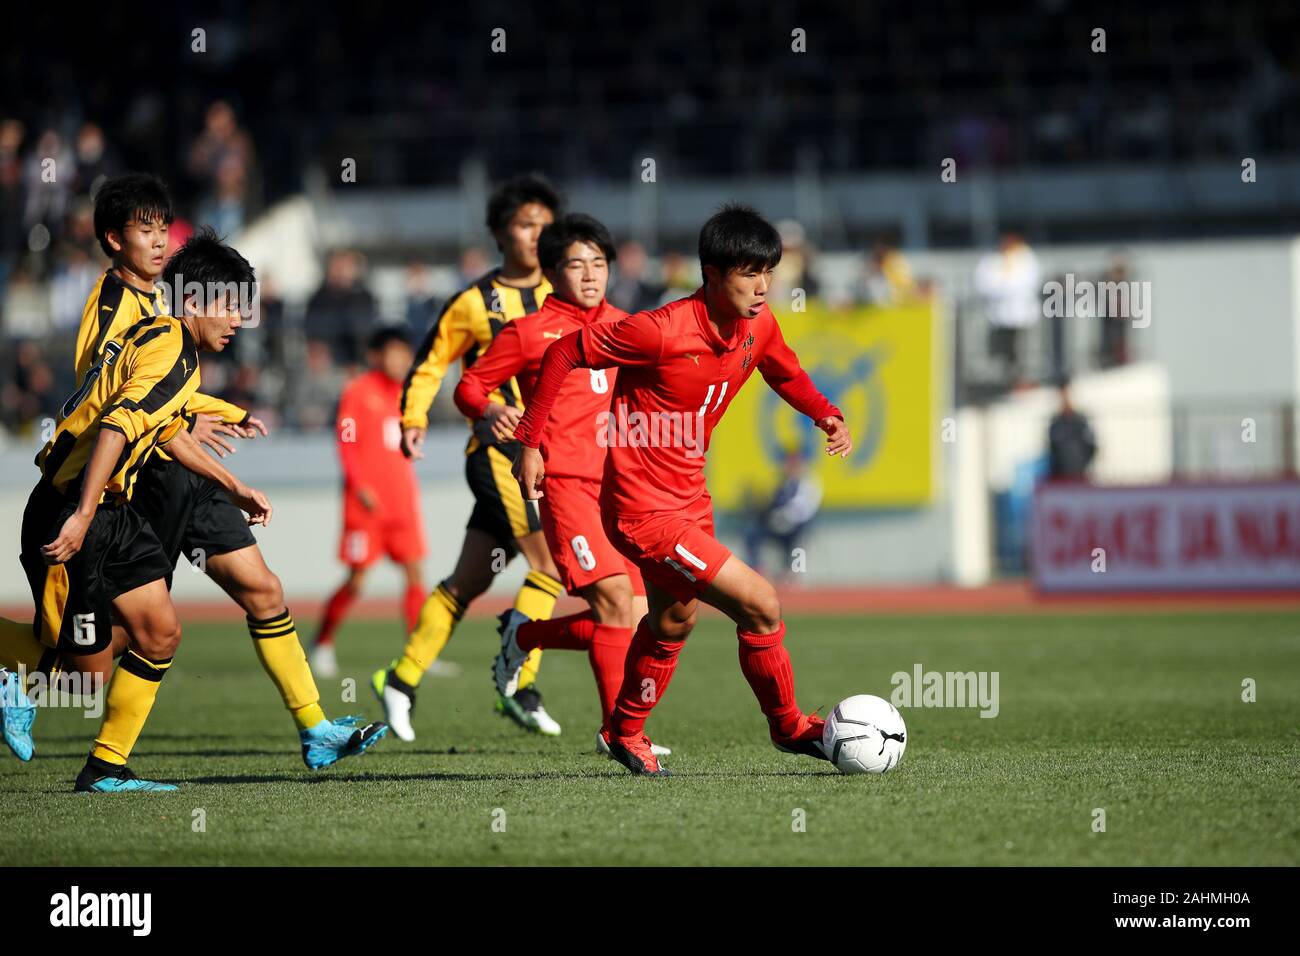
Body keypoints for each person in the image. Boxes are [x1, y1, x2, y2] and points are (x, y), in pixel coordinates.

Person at [1, 176, 387, 770]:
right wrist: (169, 427)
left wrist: (201, 424)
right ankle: (41, 695)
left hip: (170, 468)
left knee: (254, 593)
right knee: (106, 654)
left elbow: (150, 395)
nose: (159, 242)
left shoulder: (163, 310)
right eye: (145, 230)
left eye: (164, 230)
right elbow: (112, 407)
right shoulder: (122, 313)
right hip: (130, 481)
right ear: (112, 238)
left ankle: (312, 727)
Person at [512, 204, 853, 775]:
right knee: (762, 605)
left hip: (690, 499)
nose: (764, 286)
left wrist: (826, 414)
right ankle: (790, 728)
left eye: (768, 271)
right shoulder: (660, 330)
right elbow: (564, 351)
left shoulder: (759, 324)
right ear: (712, 274)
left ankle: (623, 732)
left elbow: (784, 370)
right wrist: (531, 441)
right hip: (640, 511)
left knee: (673, 621)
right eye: (750, 273)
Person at [0, 237, 269, 790]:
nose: (240, 320)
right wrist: (81, 513)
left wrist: (234, 486)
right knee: (84, 679)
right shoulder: (171, 352)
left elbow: (164, 430)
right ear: (194, 303)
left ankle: (105, 768)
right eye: (231, 305)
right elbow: (116, 427)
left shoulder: (166, 343)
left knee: (159, 634)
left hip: (110, 513)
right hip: (72, 508)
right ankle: (13, 678)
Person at [454, 213, 668, 757]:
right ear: (550, 271)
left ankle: (522, 636)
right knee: (617, 602)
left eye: (600, 263)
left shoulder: (628, 324)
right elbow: (470, 386)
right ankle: (616, 733)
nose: (591, 274)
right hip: (565, 482)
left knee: (633, 617)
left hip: (624, 484)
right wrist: (493, 409)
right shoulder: (529, 332)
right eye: (577, 263)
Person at [373, 173, 567, 740]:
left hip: (545, 453)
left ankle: (401, 678)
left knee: (469, 581)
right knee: (550, 566)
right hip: (499, 451)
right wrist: (411, 421)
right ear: (500, 232)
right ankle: (520, 683)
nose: (536, 234)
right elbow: (431, 362)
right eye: (525, 224)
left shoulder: (565, 292)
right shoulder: (473, 301)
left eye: (544, 225)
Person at [310, 328, 426, 678]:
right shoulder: (359, 391)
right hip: (366, 506)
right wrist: (359, 485)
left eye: (406, 353)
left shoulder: (409, 396)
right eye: (394, 353)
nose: (402, 360)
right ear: (377, 356)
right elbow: (345, 440)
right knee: (358, 579)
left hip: (402, 504)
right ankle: (323, 643)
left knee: (415, 574)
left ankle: (417, 654)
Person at [745, 450, 822, 582]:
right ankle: (758, 569)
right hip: (776, 526)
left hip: (796, 527)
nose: (790, 468)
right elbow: (771, 504)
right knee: (753, 533)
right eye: (789, 464)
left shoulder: (810, 483)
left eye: (794, 465)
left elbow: (805, 509)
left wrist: (786, 516)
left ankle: (795, 573)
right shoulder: (781, 482)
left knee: (800, 538)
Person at [1047, 385, 1097, 479]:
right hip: (1062, 474)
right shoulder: (1056, 422)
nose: (1064, 400)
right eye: (1062, 397)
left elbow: (1091, 445)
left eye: (1067, 396)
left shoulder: (1081, 420)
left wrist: (1084, 463)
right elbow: (1052, 448)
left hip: (1081, 472)